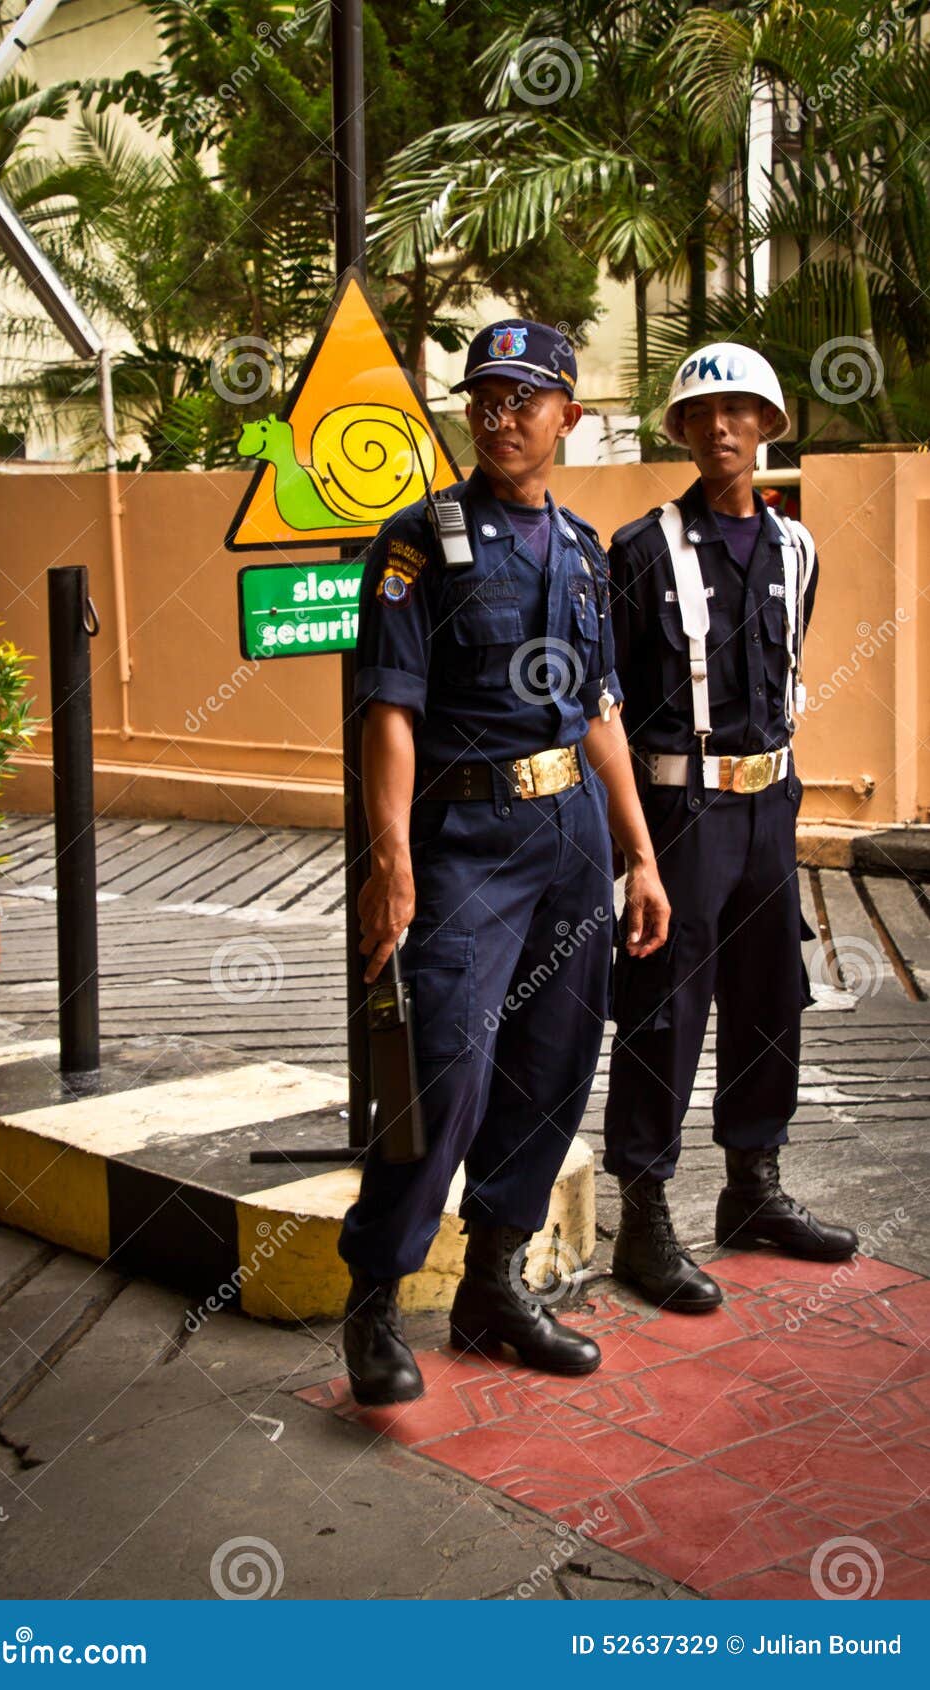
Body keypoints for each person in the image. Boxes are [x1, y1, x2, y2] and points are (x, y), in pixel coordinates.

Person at [337, 319, 670, 1406]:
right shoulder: (416, 539)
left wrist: (639, 854)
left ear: (568, 415)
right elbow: (387, 711)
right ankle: (375, 1300)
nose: (499, 414)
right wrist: (389, 860)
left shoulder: (581, 548)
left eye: (524, 397)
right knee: (443, 1072)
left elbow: (601, 714)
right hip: (464, 846)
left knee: (552, 1065)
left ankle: (491, 1285)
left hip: (569, 837)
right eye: (483, 394)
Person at [603, 342, 857, 1315]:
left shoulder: (797, 548)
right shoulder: (639, 550)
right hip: (679, 810)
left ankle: (751, 1188)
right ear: (681, 431)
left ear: (764, 427)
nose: (720, 427)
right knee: (663, 1003)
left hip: (769, 807)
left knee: (769, 994)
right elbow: (605, 705)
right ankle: (642, 1215)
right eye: (702, 414)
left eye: (738, 411)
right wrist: (631, 852)